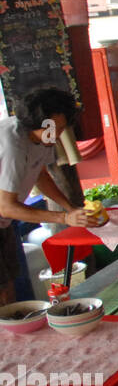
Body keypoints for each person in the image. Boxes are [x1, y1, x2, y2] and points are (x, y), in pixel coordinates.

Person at [0, 89, 93, 305]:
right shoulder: (12, 143)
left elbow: (40, 175)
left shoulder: (44, 138)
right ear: (35, 122)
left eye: (61, 129)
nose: (57, 134)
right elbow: (7, 207)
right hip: (5, 212)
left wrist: (69, 208)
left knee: (10, 284)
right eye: (53, 128)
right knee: (2, 292)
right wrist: (63, 218)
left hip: (5, 223)